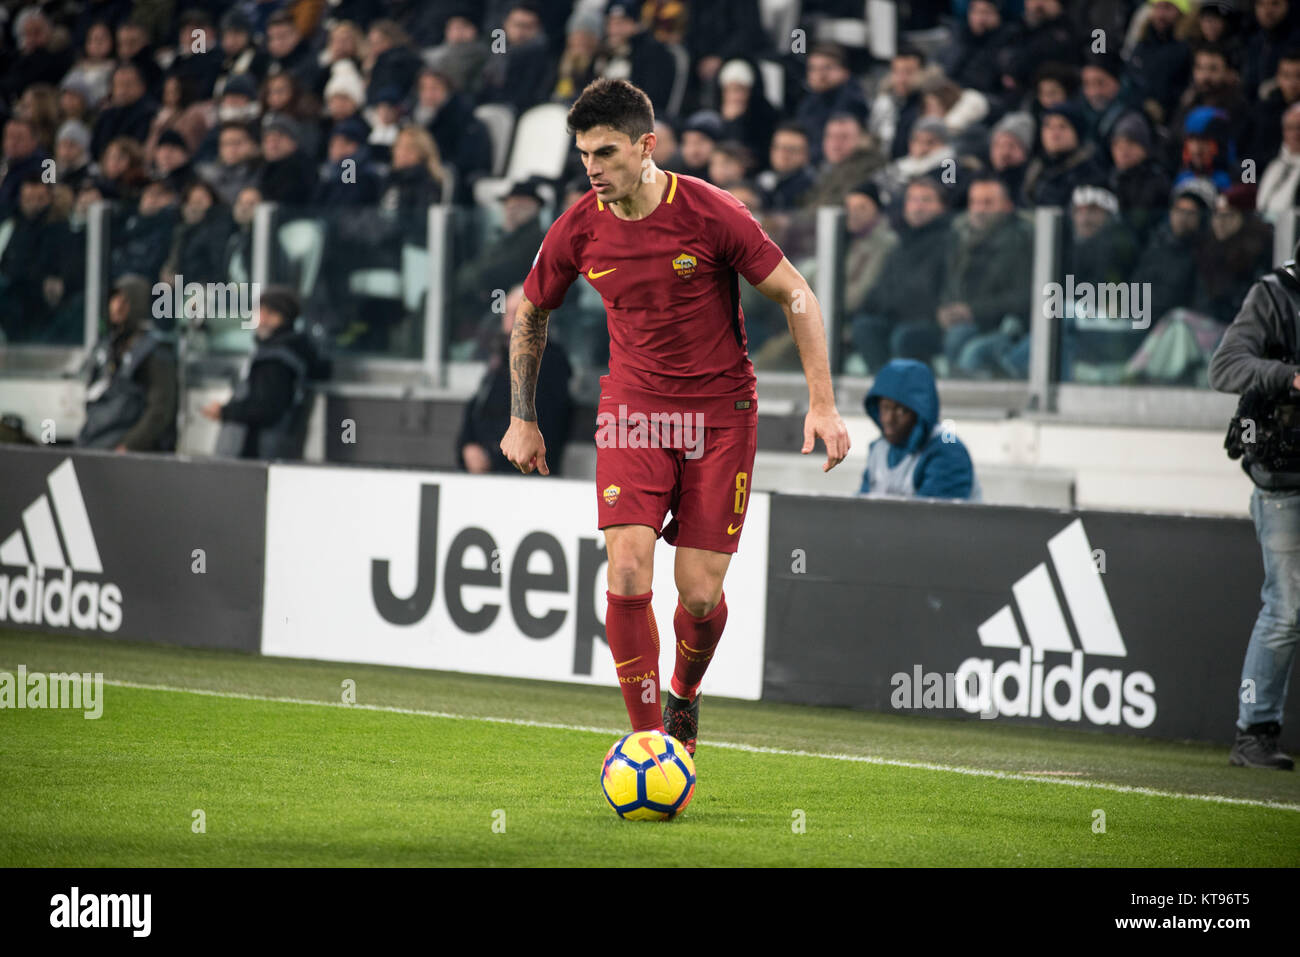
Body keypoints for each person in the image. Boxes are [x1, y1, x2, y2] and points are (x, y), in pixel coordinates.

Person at [501, 78, 850, 754]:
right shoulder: (577, 226)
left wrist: (823, 403)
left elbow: (797, 294)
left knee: (696, 594)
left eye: (605, 151)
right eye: (583, 156)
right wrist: (524, 417)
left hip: (721, 416)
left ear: (646, 145)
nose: (593, 168)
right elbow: (532, 311)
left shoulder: (713, 212)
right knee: (628, 569)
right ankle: (650, 741)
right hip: (634, 411)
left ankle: (684, 693)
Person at [1205, 241, 1300, 770]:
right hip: (1284, 476)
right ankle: (1254, 733)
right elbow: (1225, 368)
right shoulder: (1274, 294)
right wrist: (1288, 376)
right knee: (1287, 610)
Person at [201, 286, 331, 460]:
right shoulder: (292, 352)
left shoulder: (276, 360)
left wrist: (226, 412)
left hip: (257, 449)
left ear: (275, 316)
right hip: (273, 447)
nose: (255, 318)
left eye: (259, 312)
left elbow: (266, 407)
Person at [459, 285, 572, 475]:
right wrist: (467, 447)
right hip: (483, 474)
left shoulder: (551, 365)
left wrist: (490, 456)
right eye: (508, 313)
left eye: (518, 313)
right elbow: (476, 409)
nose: (510, 321)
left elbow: (547, 424)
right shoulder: (496, 361)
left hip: (521, 475)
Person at [77, 275, 178, 452]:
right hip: (95, 439)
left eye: (124, 301)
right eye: (114, 299)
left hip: (132, 450)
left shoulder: (154, 351)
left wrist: (129, 445)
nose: (116, 306)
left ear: (137, 304)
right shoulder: (106, 347)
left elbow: (160, 409)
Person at [858, 359, 980, 500]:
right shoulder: (879, 448)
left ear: (920, 411)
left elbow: (931, 517)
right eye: (885, 408)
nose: (888, 419)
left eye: (900, 410)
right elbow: (859, 507)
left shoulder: (948, 450)